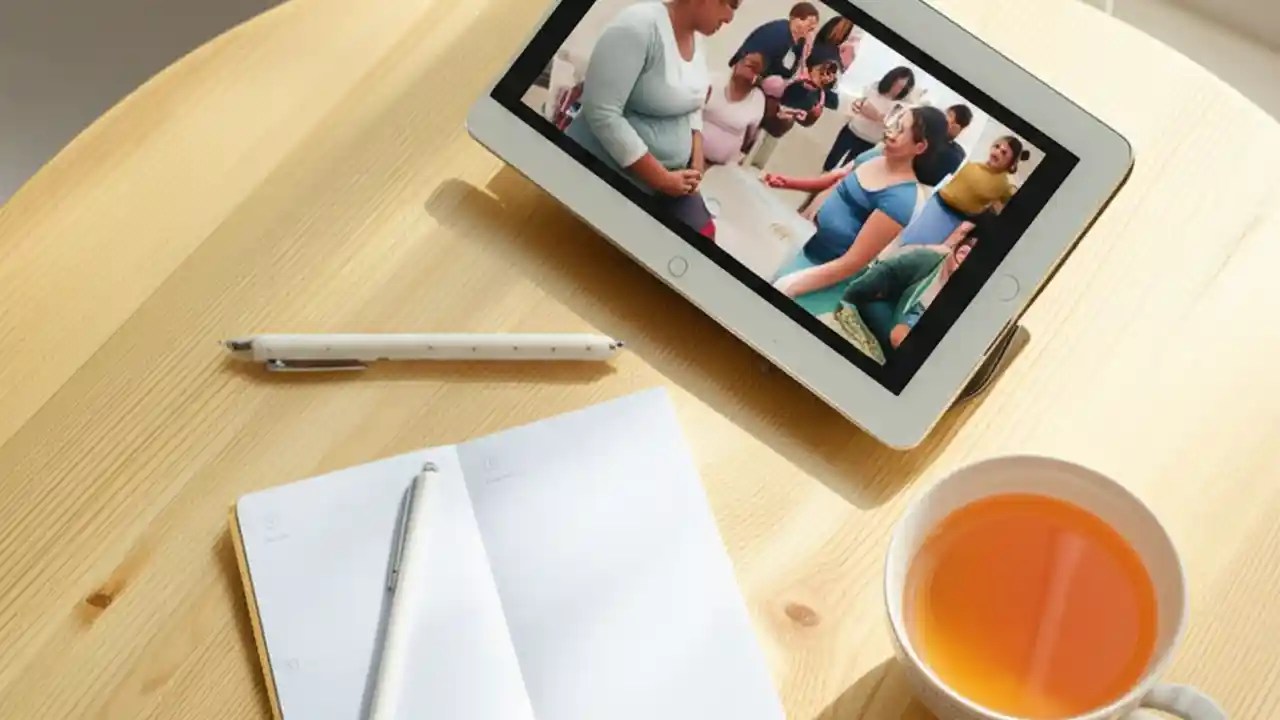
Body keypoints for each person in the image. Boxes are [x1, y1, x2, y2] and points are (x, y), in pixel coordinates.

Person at [565, 0, 740, 239]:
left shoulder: (697, 41)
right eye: (731, 4)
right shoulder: (638, 28)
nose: (730, 18)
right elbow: (602, 111)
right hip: (605, 174)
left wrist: (696, 160)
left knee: (701, 240)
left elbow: (693, 102)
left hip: (672, 181)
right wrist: (661, 179)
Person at [761, 106, 951, 314]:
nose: (891, 132)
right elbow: (835, 178)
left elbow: (853, 262)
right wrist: (787, 182)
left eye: (901, 130)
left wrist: (795, 285)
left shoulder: (900, 199)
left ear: (920, 146)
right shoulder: (874, 155)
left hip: (828, 275)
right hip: (810, 247)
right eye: (895, 123)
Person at [836, 220, 981, 353]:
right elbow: (883, 273)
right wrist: (847, 298)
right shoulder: (928, 259)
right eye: (963, 254)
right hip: (892, 310)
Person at [895, 135, 1030, 247]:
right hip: (935, 204)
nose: (997, 152)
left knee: (918, 249)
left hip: (952, 219)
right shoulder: (976, 165)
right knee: (906, 240)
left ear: (1011, 162)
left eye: (1004, 153)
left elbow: (1017, 207)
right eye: (997, 146)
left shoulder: (1003, 184)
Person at [822, 66, 916, 171]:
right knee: (832, 159)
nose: (896, 89)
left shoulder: (903, 104)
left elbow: (891, 124)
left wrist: (875, 115)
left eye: (902, 87)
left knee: (849, 168)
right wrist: (862, 107)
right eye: (896, 84)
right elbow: (862, 104)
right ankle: (823, 174)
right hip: (853, 129)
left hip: (869, 140)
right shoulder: (875, 87)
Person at [702, 52, 767, 165]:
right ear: (736, 64)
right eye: (745, 61)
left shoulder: (758, 99)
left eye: (753, 66)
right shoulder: (714, 80)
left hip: (723, 165)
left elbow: (750, 137)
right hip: (690, 152)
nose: (747, 65)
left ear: (759, 76)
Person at [728, 2, 820, 81]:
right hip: (748, 75)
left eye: (813, 25)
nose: (811, 27)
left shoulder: (800, 42)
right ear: (793, 18)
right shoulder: (778, 32)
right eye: (809, 22)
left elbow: (792, 68)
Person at [913, 104, 973, 186]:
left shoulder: (956, 155)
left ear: (956, 127)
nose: (944, 117)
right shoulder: (930, 132)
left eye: (949, 115)